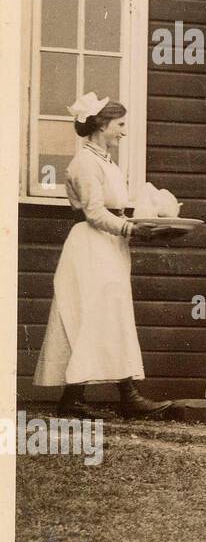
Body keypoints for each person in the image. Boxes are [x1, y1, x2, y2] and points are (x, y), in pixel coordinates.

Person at [34, 93, 174, 419]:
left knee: (111, 314)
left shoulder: (106, 161)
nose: (124, 131)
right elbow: (95, 213)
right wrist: (132, 230)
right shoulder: (84, 162)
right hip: (91, 246)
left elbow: (115, 207)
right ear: (101, 125)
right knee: (92, 313)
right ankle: (108, 396)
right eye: (120, 124)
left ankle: (115, 396)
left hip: (110, 245)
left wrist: (143, 221)